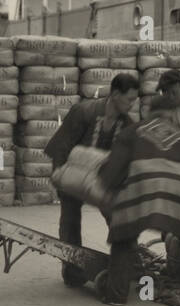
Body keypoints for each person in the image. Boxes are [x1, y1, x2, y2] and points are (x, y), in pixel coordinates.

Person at [97, 92, 180, 306]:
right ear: (172, 114)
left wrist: (109, 190)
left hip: (141, 195)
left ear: (149, 111)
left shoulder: (131, 133)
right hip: (179, 196)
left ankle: (116, 295)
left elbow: (113, 172)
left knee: (122, 238)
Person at [43, 73, 139, 288]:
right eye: (129, 99)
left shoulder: (127, 124)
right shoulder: (84, 112)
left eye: (135, 100)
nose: (133, 105)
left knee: (118, 216)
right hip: (72, 170)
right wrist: (59, 177)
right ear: (115, 94)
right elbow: (62, 146)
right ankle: (71, 269)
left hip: (102, 176)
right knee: (70, 219)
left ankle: (130, 263)